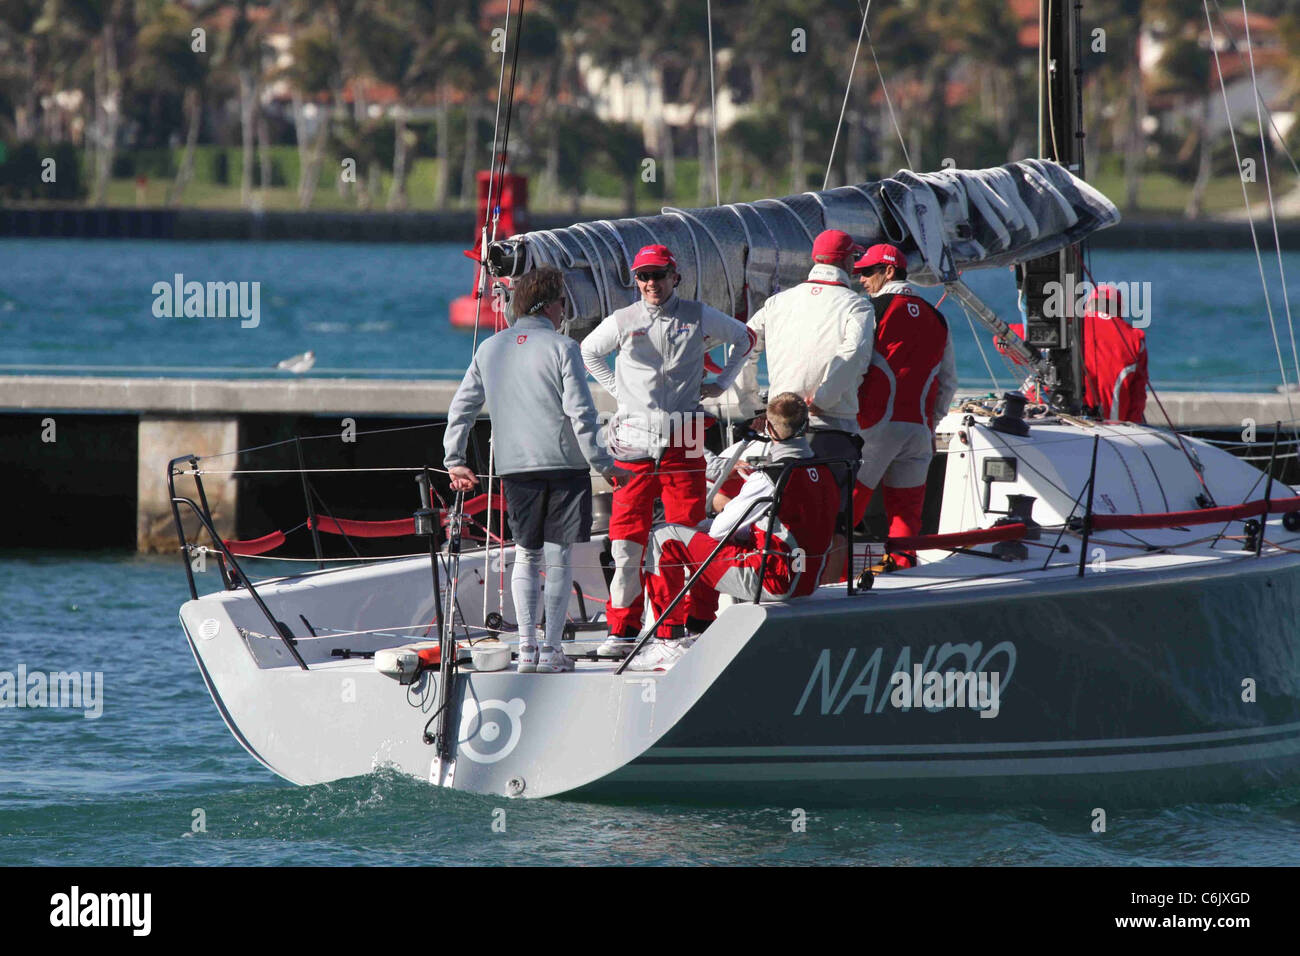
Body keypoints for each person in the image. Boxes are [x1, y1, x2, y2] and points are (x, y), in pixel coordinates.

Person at [444, 266, 623, 674]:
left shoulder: (490, 349)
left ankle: (525, 649)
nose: (565, 311)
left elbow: (463, 407)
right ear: (550, 305)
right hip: (564, 466)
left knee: (526, 554)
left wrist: (454, 459)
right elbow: (581, 414)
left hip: (515, 467)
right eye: (564, 303)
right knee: (558, 557)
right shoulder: (564, 348)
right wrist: (604, 464)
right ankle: (551, 651)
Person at [581, 243, 754, 657]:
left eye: (658, 275)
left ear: (674, 276)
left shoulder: (698, 315)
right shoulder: (624, 320)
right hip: (634, 441)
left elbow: (745, 338)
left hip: (685, 436)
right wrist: (620, 392)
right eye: (643, 276)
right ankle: (621, 629)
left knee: (688, 535)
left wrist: (724, 382)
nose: (650, 283)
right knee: (626, 542)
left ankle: (683, 622)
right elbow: (588, 351)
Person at [632, 393, 840, 671]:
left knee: (664, 536)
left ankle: (667, 641)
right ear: (806, 425)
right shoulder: (825, 470)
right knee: (697, 533)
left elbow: (719, 530)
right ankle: (699, 625)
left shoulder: (769, 477)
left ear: (769, 428)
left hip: (771, 579)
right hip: (807, 579)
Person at [746, 228, 875, 581]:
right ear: (848, 261)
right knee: (832, 521)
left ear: (815, 260)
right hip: (832, 430)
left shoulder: (778, 302)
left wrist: (752, 403)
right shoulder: (856, 304)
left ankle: (784, 588)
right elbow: (853, 356)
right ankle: (827, 596)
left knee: (785, 516)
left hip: (781, 432)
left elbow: (744, 344)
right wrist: (821, 399)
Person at [851, 244, 957, 571]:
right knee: (906, 514)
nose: (862, 280)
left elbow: (853, 363)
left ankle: (832, 582)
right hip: (919, 430)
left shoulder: (872, 309)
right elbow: (949, 382)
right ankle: (903, 576)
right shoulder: (937, 318)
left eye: (868, 272)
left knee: (847, 508)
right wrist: (931, 423)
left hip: (874, 428)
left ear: (889, 272)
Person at [993, 283, 1148, 422]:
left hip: (1051, 418)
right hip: (1110, 428)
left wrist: (1003, 344)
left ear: (1088, 306)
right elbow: (1137, 399)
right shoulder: (1134, 338)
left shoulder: (1066, 324)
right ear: (1119, 311)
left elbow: (1004, 338)